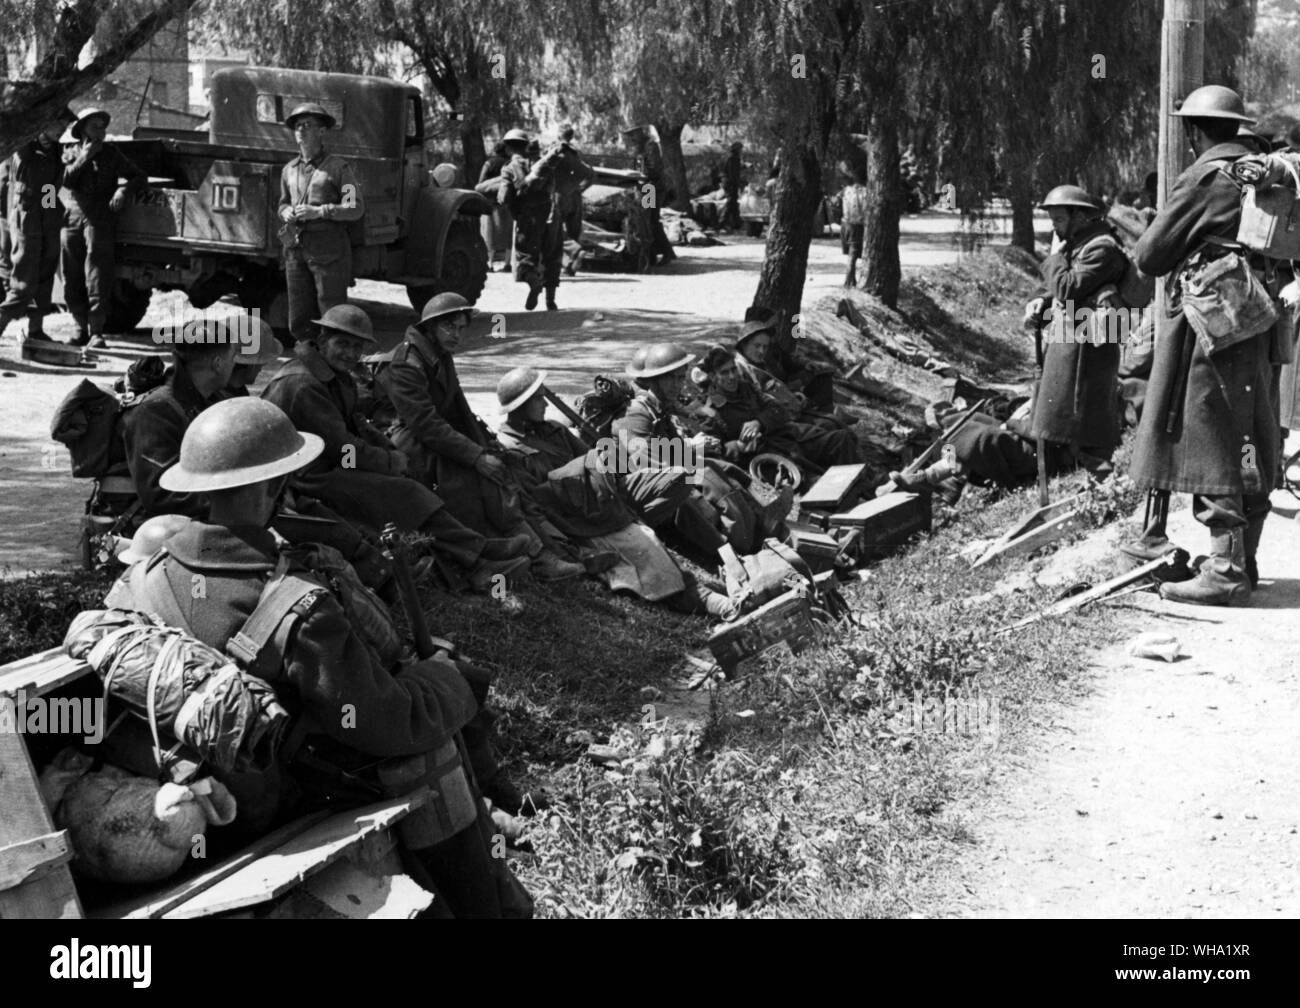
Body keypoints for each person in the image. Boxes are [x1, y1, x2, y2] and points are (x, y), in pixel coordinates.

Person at [107, 395, 528, 916]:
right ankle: (488, 906)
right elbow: (385, 722)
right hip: (282, 795)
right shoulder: (297, 604)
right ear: (272, 487)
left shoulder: (142, 576)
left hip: (189, 787)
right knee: (429, 751)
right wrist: (451, 680)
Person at [1127, 84, 1280, 605]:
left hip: (1210, 324)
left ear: (1193, 131)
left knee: (1208, 432)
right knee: (1248, 431)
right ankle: (1246, 560)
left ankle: (1225, 569)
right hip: (1257, 316)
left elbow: (1150, 255)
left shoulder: (1204, 176)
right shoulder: (1261, 169)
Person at [260, 302, 532, 591]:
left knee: (406, 481)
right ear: (323, 339)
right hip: (296, 481)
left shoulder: (330, 374)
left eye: (357, 347)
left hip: (321, 464)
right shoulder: (304, 384)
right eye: (343, 344)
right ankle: (478, 556)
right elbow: (344, 449)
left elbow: (358, 425)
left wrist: (390, 452)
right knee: (402, 490)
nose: (350, 354)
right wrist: (389, 462)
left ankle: (477, 557)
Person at [381, 293, 585, 581]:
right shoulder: (406, 363)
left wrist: (485, 445)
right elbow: (424, 423)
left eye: (462, 328)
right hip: (414, 442)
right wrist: (476, 456)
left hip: (440, 436)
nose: (456, 334)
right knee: (473, 479)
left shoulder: (438, 353)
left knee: (503, 469)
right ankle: (527, 560)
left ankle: (544, 552)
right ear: (430, 327)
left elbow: (458, 408)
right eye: (449, 327)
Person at [1022, 185, 1127, 469]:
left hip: (1090, 345)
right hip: (1075, 338)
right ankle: (1085, 476)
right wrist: (1039, 302)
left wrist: (1054, 255)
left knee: (1084, 420)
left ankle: (1100, 484)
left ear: (1079, 217)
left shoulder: (1101, 247)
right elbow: (1055, 287)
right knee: (1062, 418)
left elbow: (1068, 288)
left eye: (1058, 220)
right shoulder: (1080, 244)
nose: (1054, 227)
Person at [695, 344, 860, 475]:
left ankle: (868, 486)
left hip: (786, 436)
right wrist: (738, 445)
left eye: (733, 370)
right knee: (813, 476)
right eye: (724, 373)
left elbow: (777, 409)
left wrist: (759, 422)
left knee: (841, 439)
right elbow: (715, 452)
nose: (731, 376)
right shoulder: (710, 411)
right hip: (766, 456)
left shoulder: (746, 388)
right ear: (712, 377)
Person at [278, 103, 364, 352]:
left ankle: (335, 360)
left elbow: (355, 206)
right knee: (299, 314)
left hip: (328, 249)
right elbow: (282, 202)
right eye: (297, 126)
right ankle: (307, 358)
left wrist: (321, 211)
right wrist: (285, 212)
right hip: (296, 250)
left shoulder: (339, 168)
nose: (301, 130)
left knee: (332, 311)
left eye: (308, 125)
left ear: (322, 131)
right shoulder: (289, 170)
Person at [59, 108, 147, 349]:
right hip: (74, 214)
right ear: (83, 129)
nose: (102, 131)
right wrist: (84, 157)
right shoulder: (71, 151)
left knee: (98, 275)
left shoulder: (111, 153)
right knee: (71, 275)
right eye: (96, 126)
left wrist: (123, 190)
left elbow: (139, 176)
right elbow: (64, 180)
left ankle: (96, 331)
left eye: (103, 127)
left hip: (100, 217)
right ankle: (79, 329)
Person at [0, 111, 72, 349]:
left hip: (45, 215)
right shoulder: (25, 146)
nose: (62, 129)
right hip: (26, 215)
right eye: (58, 124)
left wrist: (51, 214)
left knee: (45, 274)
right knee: (24, 277)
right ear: (43, 123)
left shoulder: (56, 152)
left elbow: (51, 188)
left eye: (64, 126)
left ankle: (36, 330)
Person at [499, 128, 564, 310]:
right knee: (553, 255)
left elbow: (504, 197)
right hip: (551, 212)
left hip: (528, 216)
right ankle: (550, 300)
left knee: (525, 256)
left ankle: (534, 283)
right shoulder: (543, 163)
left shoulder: (509, 168)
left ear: (508, 148)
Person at [622, 125, 675, 265]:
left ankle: (665, 252)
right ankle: (654, 254)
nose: (632, 138)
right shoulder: (640, 148)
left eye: (633, 135)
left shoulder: (650, 146)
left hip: (651, 189)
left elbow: (654, 169)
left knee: (650, 221)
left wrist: (640, 175)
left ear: (639, 133)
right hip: (646, 188)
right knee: (648, 221)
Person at [476, 140, 513, 272]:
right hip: (507, 203)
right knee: (508, 235)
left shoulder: (489, 163)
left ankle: (490, 264)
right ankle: (507, 264)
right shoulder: (510, 163)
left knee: (489, 234)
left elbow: (480, 183)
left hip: (490, 204)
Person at [840, 167, 868, 288]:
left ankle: (850, 279)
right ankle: (849, 279)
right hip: (858, 225)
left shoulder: (847, 190)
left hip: (846, 224)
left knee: (852, 251)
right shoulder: (866, 192)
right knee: (854, 252)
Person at [722, 140, 744, 232]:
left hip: (732, 183)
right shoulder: (732, 158)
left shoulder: (734, 158)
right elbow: (732, 173)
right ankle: (722, 223)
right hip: (731, 184)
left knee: (734, 204)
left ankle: (736, 224)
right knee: (730, 203)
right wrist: (737, 183)